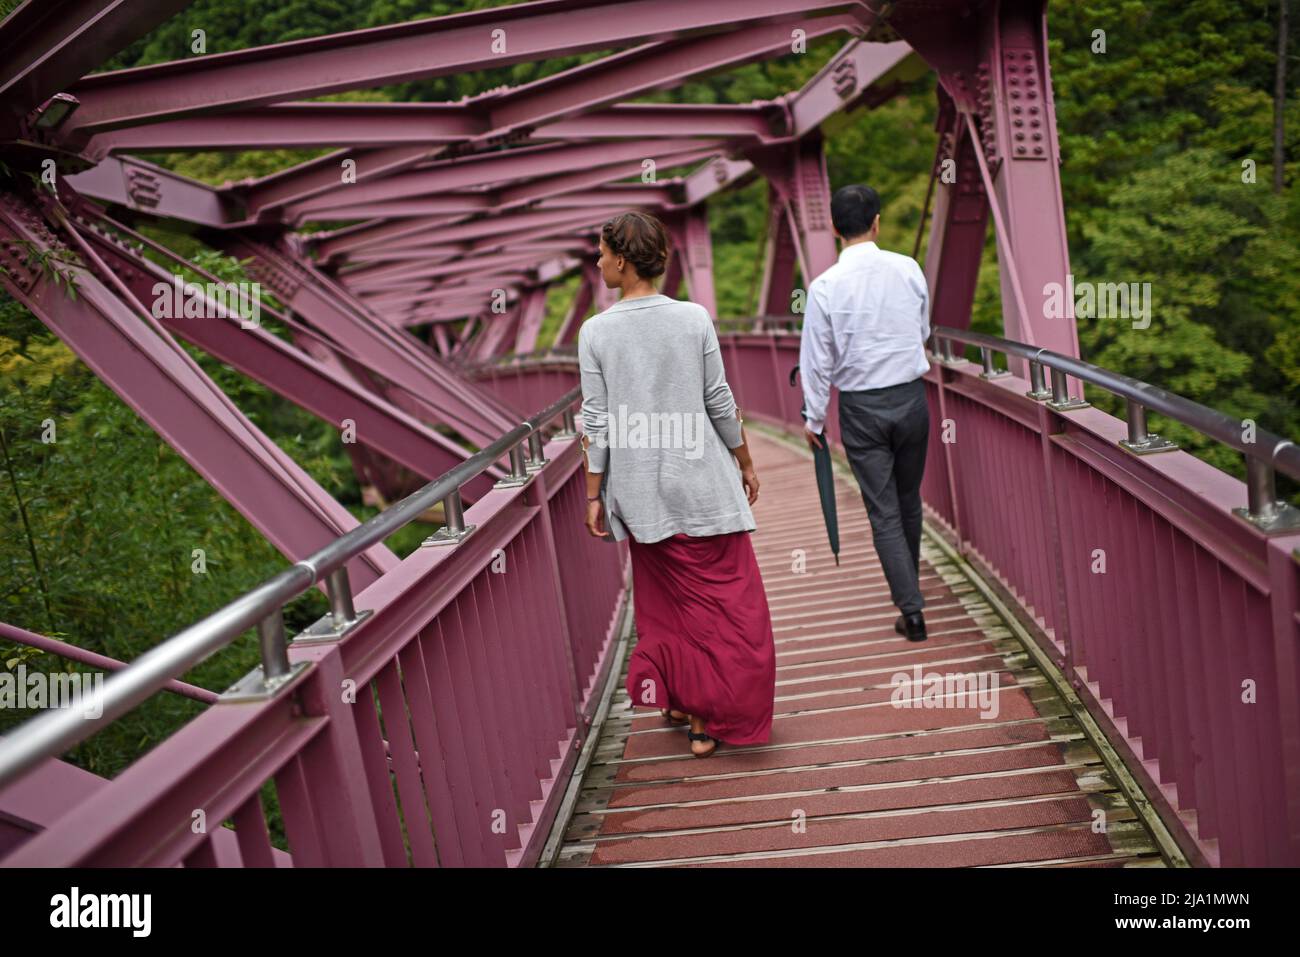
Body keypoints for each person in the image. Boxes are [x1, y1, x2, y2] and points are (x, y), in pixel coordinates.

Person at [577, 211, 775, 758]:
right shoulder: (693, 319)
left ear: (621, 259)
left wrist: (594, 494)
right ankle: (708, 718)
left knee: (668, 607)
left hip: (641, 499)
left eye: (600, 252)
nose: (597, 261)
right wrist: (745, 460)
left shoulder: (595, 332)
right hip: (704, 486)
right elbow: (718, 400)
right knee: (727, 605)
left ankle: (687, 704)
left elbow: (597, 422)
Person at [798, 184, 932, 642]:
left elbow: (817, 361)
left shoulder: (824, 288)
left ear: (835, 228)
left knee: (883, 511)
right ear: (877, 222)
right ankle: (909, 588)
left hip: (861, 409)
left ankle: (911, 611)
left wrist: (814, 420)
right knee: (909, 498)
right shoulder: (908, 268)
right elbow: (922, 329)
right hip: (912, 399)